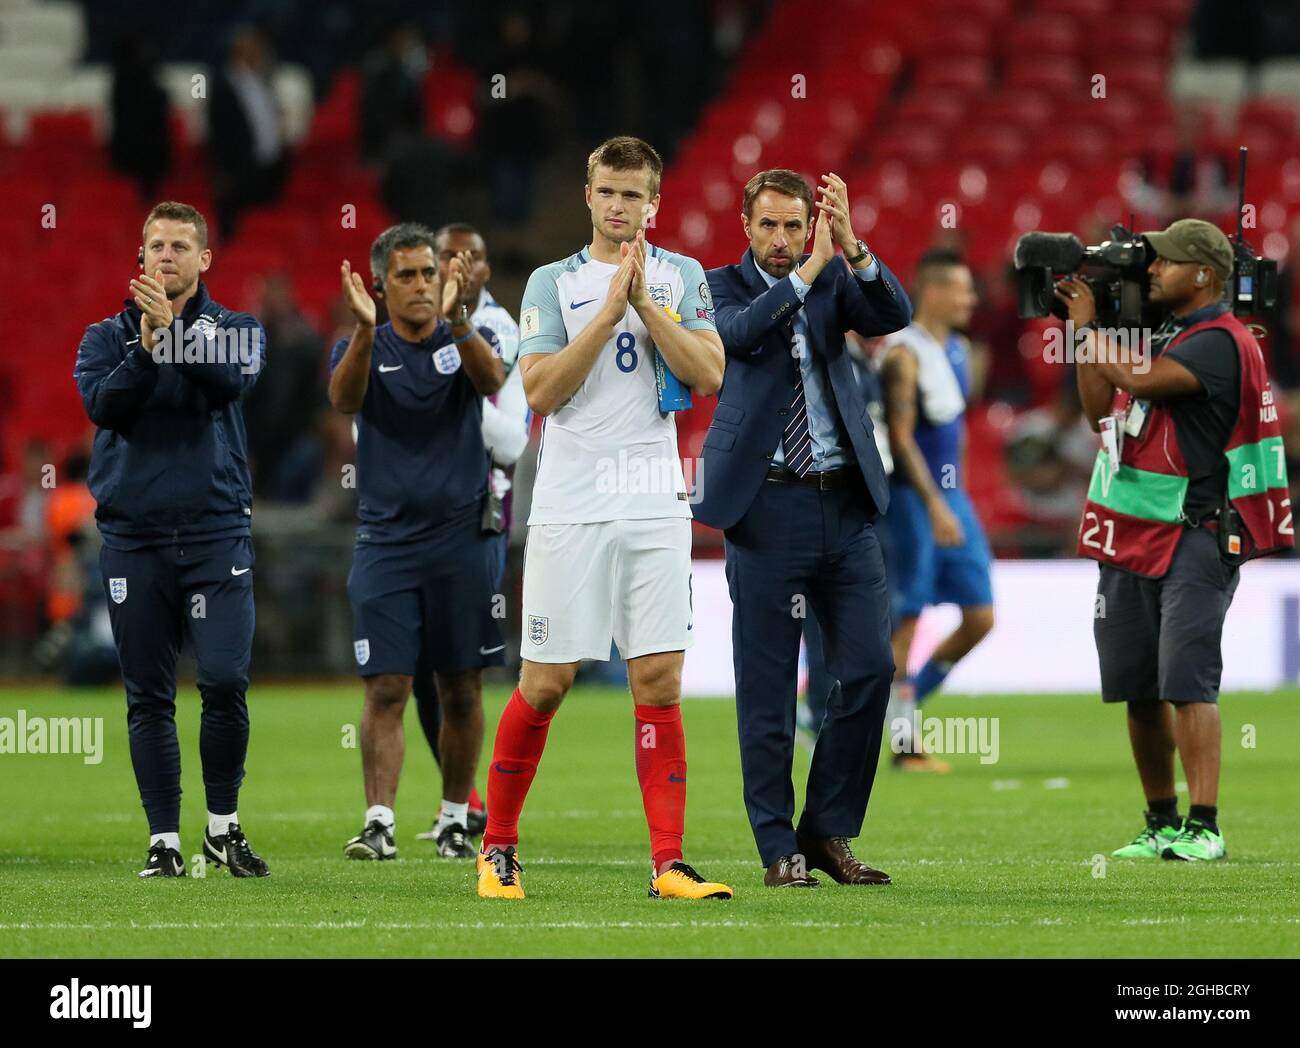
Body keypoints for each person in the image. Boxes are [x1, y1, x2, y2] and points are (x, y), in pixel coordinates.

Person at [476, 136, 732, 901]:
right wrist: (608, 313)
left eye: (635, 195)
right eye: (607, 192)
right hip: (571, 504)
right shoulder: (553, 283)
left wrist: (647, 305)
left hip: (655, 499)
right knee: (547, 680)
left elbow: (710, 372)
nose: (620, 206)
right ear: (588, 196)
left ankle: (669, 863)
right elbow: (543, 391)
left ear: (656, 203)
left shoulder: (682, 276)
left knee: (658, 679)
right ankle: (497, 850)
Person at [697, 168, 911, 887]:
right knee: (766, 688)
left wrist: (853, 249)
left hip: (844, 502)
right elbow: (737, 335)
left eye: (796, 225)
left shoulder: (831, 276)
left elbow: (892, 314)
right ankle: (776, 846)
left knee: (870, 667)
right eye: (770, 226)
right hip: (765, 506)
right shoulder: (718, 285)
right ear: (746, 226)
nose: (784, 240)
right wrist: (810, 272)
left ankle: (827, 831)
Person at [1059, 218, 1293, 862]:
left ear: (1204, 275)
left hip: (1199, 525)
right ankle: (1160, 820)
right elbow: (1098, 411)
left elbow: (1137, 383)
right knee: (1137, 683)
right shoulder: (1170, 334)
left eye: (1166, 262)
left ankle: (1205, 825)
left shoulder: (1221, 339)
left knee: (1186, 679)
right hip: (1136, 526)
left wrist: (1086, 329)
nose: (1152, 271)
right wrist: (1089, 337)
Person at [73, 201, 269, 878]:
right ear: (140, 258)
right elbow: (106, 406)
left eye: (181, 245)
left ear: (204, 259)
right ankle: (164, 839)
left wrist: (176, 336)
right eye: (155, 244)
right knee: (149, 695)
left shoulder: (238, 330)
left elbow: (230, 383)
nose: (166, 255)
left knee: (223, 680)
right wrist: (148, 347)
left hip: (215, 535)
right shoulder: (103, 338)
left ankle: (222, 826)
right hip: (134, 539)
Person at [329, 223, 505, 862]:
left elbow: (492, 383)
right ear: (380, 284)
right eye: (406, 275)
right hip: (386, 544)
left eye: (428, 272)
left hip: (462, 542)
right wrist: (366, 329)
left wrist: (460, 321)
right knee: (386, 688)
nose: (421, 285)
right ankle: (379, 822)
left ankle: (456, 817)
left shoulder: (465, 338)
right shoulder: (361, 344)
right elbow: (343, 398)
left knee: (461, 686)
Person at [413, 222, 530, 843]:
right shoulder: (411, 320)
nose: (461, 263)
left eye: (474, 256)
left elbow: (507, 438)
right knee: (415, 668)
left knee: (460, 665)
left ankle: (471, 801)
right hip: (415, 513)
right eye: (448, 255)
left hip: (479, 510)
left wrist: (426, 409)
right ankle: (463, 798)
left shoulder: (500, 327)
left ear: (485, 270)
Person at [879, 250, 995, 772]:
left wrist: (959, 499)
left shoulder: (961, 352)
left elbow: (959, 432)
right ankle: (905, 745)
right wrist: (933, 505)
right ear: (933, 291)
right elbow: (901, 439)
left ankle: (903, 706)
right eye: (962, 289)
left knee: (980, 617)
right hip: (913, 501)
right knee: (908, 620)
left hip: (953, 501)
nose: (970, 299)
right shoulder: (903, 355)